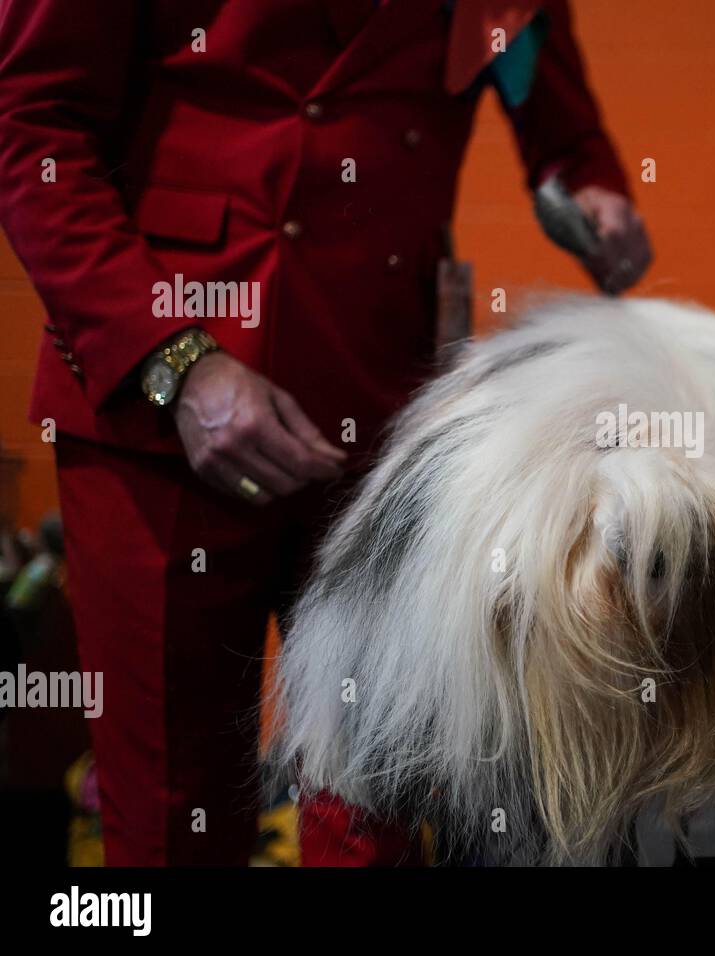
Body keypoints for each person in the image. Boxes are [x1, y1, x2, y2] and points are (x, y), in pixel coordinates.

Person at [0, 0, 650, 866]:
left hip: (385, 430)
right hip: (151, 419)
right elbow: (30, 128)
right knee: (168, 816)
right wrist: (174, 362)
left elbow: (559, 131)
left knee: (377, 806)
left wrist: (592, 192)